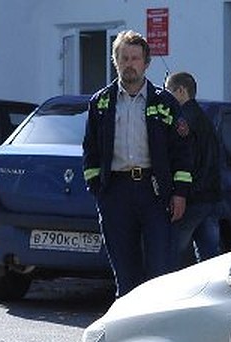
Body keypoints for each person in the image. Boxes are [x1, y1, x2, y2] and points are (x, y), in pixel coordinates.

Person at [82, 30, 191, 297]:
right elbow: (90, 150)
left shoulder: (165, 102)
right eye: (124, 58)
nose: (129, 64)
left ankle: (158, 322)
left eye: (135, 58)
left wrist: (179, 193)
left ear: (146, 63)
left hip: (154, 193)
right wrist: (98, 189)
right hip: (115, 193)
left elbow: (182, 151)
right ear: (115, 61)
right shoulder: (100, 103)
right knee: (125, 274)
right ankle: (128, 322)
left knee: (159, 272)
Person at [165, 71, 223, 264]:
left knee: (172, 254)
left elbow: (184, 159)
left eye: (168, 91)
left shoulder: (183, 120)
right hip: (210, 197)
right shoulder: (205, 118)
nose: (166, 97)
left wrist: (179, 193)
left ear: (181, 91)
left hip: (192, 199)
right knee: (209, 259)